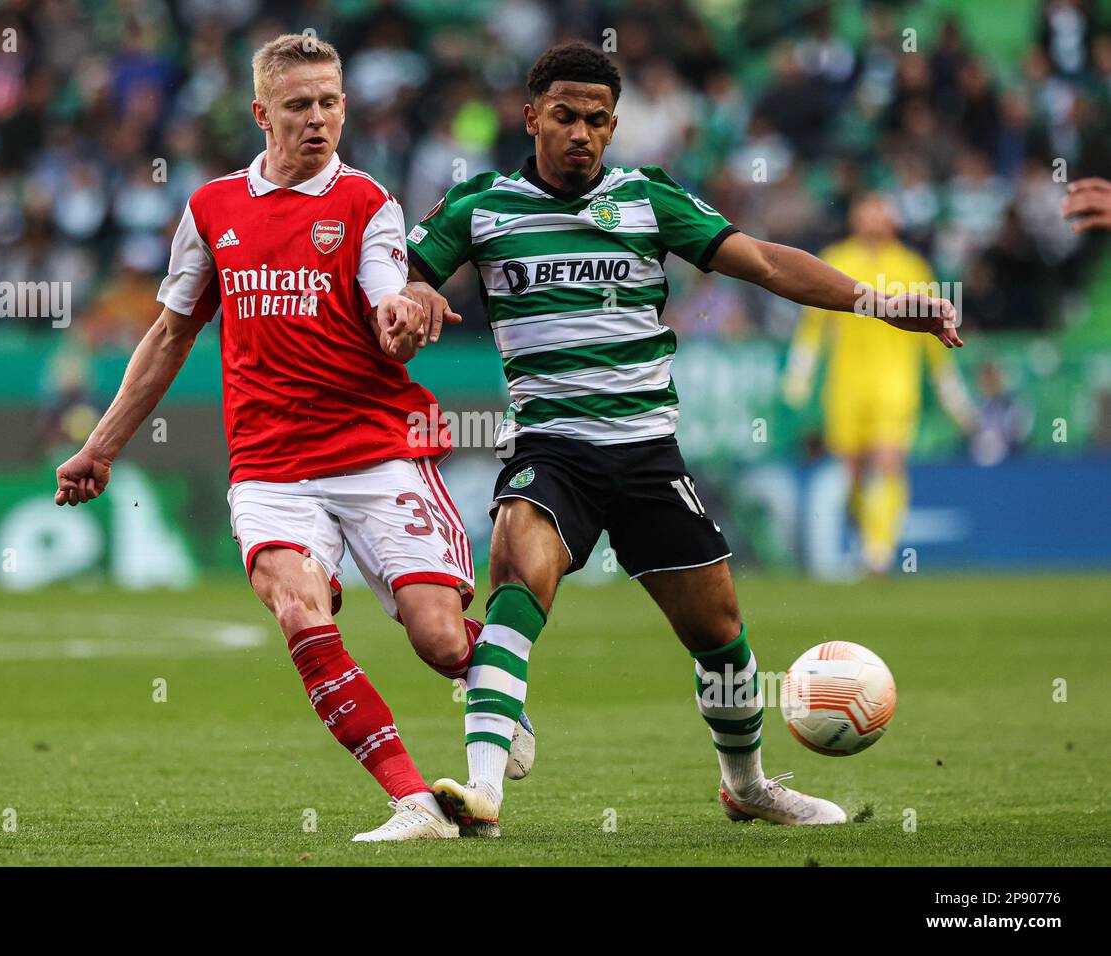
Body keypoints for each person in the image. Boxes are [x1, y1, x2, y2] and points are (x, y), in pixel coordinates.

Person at [402, 42, 962, 835]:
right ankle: (483, 787)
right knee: (518, 576)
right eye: (564, 116)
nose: (581, 134)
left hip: (645, 453)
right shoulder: (480, 207)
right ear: (531, 118)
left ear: (614, 126)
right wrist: (409, 298)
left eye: (598, 120)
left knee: (720, 633)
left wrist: (881, 302)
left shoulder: (647, 199)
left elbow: (765, 262)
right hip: (551, 448)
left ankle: (748, 786)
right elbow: (404, 278)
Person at [54, 34, 526, 842]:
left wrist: (402, 315)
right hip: (271, 466)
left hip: (381, 451)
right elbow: (170, 335)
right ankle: (415, 802)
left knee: (441, 641)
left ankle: (495, 689)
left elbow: (387, 295)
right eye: (300, 104)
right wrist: (101, 447)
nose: (319, 120)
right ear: (260, 112)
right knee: (299, 612)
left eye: (331, 102)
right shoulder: (211, 210)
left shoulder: (367, 203)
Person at [783, 193, 976, 575]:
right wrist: (799, 373)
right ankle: (870, 536)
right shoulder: (837, 259)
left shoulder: (912, 266)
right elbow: (813, 325)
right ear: (855, 217)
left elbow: (934, 332)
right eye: (866, 211)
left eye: (880, 213)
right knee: (852, 470)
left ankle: (879, 551)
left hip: (894, 382)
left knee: (889, 461)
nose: (873, 219)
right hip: (846, 384)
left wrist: (950, 389)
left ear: (893, 221)